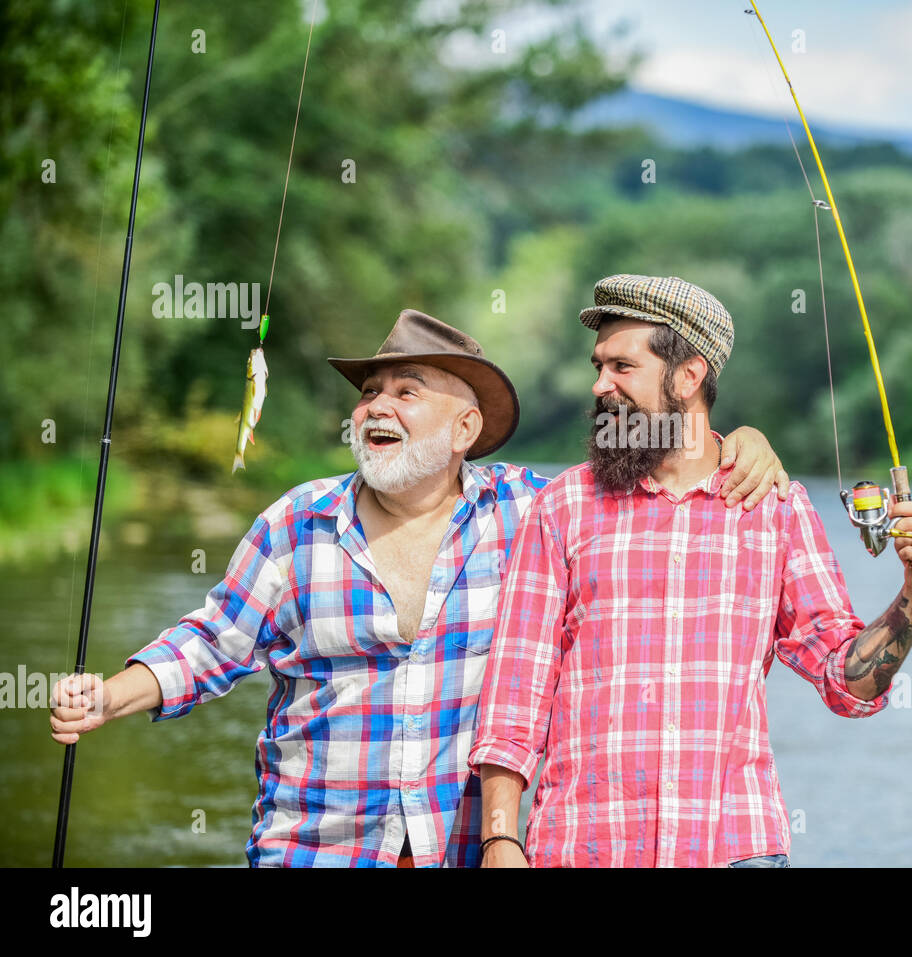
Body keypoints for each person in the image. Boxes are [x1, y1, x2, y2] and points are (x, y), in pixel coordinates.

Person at [48, 308, 789, 867]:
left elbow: (652, 474)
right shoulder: (297, 522)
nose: (377, 406)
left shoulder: (532, 511)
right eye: (370, 392)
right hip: (314, 846)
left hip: (462, 848)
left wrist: (738, 443)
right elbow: (210, 643)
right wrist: (112, 695)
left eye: (408, 390)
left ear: (465, 426)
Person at [469, 275, 912, 867]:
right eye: (599, 366)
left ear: (688, 376)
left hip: (735, 850)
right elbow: (515, 696)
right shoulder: (563, 507)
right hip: (581, 849)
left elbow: (847, 685)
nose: (599, 385)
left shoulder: (776, 507)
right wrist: (500, 839)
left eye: (622, 367)